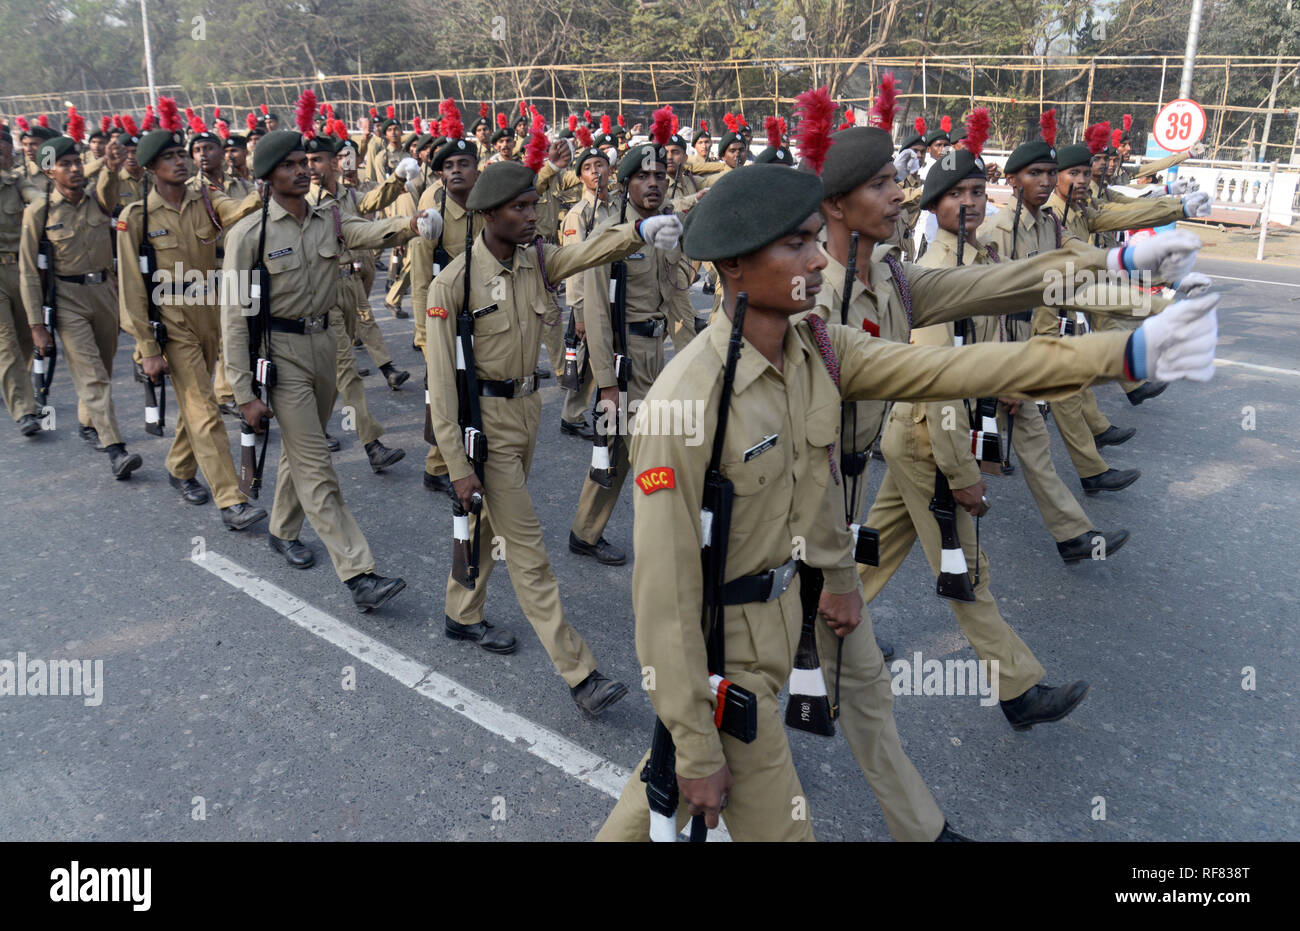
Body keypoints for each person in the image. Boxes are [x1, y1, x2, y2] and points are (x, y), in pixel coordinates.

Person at [596, 163, 1217, 840]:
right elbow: (663, 598)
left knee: (725, 756)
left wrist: (1125, 349)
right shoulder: (684, 405)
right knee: (736, 799)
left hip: (798, 598)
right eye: (798, 244)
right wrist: (694, 744)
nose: (819, 256)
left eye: (817, 238)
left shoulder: (823, 350)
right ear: (737, 265)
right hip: (729, 641)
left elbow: (955, 368)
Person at [424, 160, 682, 715]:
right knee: (527, 546)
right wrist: (457, 466)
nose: (531, 216)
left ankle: (461, 613)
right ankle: (578, 671)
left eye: (531, 205)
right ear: (488, 214)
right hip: (484, 421)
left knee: (490, 519)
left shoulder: (534, 263)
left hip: (526, 411)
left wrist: (636, 231)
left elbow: (588, 253)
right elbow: (443, 387)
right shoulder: (453, 283)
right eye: (519, 208)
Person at [220, 130, 440, 609]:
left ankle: (282, 529)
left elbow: (363, 232)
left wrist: (411, 224)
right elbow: (236, 319)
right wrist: (243, 392)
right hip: (281, 354)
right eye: (289, 165)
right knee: (317, 462)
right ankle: (359, 572)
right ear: (268, 176)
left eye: (305, 163)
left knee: (302, 449)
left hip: (326, 342)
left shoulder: (329, 217)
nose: (302, 170)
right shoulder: (249, 236)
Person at [978, 133, 1135, 560]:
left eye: (1050, 172)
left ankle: (1072, 536)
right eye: (1035, 173)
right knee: (934, 458)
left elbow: (1072, 262)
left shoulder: (1049, 224)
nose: (1045, 181)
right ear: (1013, 180)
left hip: (1025, 355)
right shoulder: (998, 231)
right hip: (987, 361)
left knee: (1034, 449)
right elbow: (991, 309)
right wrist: (1005, 375)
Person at [117, 128, 265, 527]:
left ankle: (180, 468)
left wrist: (262, 192)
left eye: (182, 154)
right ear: (151, 167)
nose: (180, 161)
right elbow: (132, 287)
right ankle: (231, 499)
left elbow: (237, 210)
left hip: (210, 312)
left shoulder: (206, 199)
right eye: (169, 157)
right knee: (203, 409)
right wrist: (147, 348)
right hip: (171, 321)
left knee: (198, 402)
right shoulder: (136, 218)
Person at [567, 141, 688, 567]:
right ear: (626, 183)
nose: (653, 183)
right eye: (643, 176)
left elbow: (678, 299)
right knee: (655, 450)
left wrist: (693, 358)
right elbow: (597, 313)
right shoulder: (610, 236)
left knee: (615, 451)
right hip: (624, 358)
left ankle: (584, 532)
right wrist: (606, 383)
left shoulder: (667, 228)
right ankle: (668, 545)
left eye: (659, 176)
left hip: (656, 352)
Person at [20, 135, 142, 478]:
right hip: (67, 298)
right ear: (50, 171)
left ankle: (88, 423)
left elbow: (110, 191)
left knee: (101, 366)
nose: (74, 169)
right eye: (66, 164)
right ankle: (116, 449)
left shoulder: (97, 200)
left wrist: (110, 163)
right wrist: (36, 325)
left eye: (77, 162)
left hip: (104, 292)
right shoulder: (39, 212)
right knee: (91, 375)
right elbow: (29, 272)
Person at [305, 133, 416, 472]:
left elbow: (369, 204)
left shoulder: (344, 194)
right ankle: (371, 443)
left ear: (335, 162)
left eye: (318, 160)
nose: (310, 167)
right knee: (346, 370)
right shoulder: (304, 199)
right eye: (306, 161)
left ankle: (312, 427)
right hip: (321, 290)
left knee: (329, 372)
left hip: (351, 285)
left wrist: (397, 181)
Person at [0, 124, 43, 436]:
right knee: (7, 343)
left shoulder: (16, 182)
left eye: (3, 149)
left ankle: (18, 385)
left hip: (21, 269)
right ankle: (25, 410)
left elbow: (38, 199)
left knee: (27, 336)